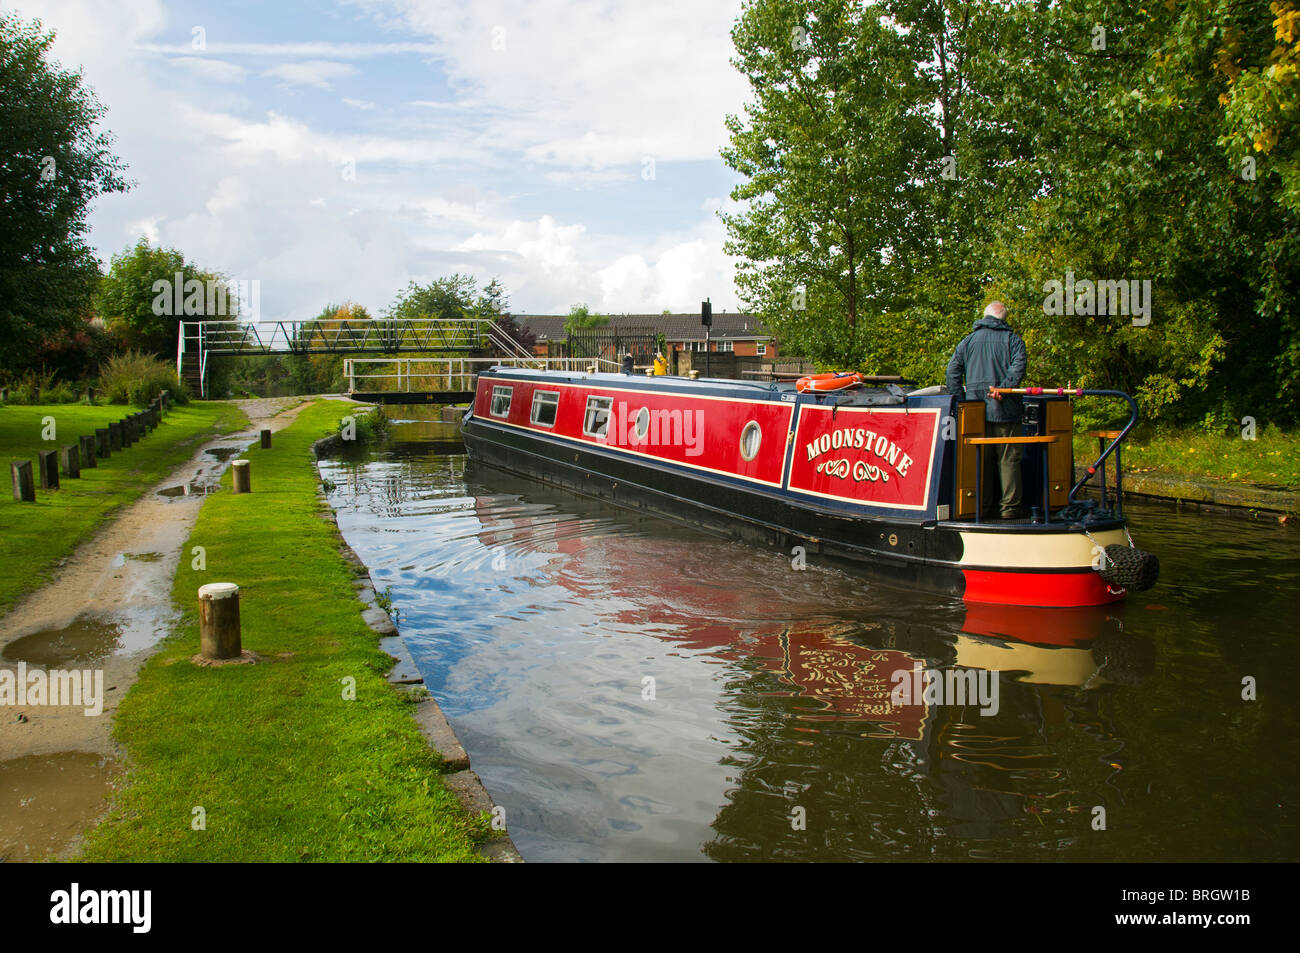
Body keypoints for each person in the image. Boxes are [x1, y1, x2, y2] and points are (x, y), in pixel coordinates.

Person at [945, 301, 1028, 520]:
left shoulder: (968, 342)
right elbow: (1018, 367)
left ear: (984, 316)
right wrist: (1005, 388)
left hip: (974, 413)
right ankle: (1010, 509)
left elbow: (952, 372)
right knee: (1008, 459)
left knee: (981, 459)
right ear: (1004, 319)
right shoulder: (1014, 341)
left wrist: (962, 402)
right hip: (1006, 410)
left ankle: (981, 506)